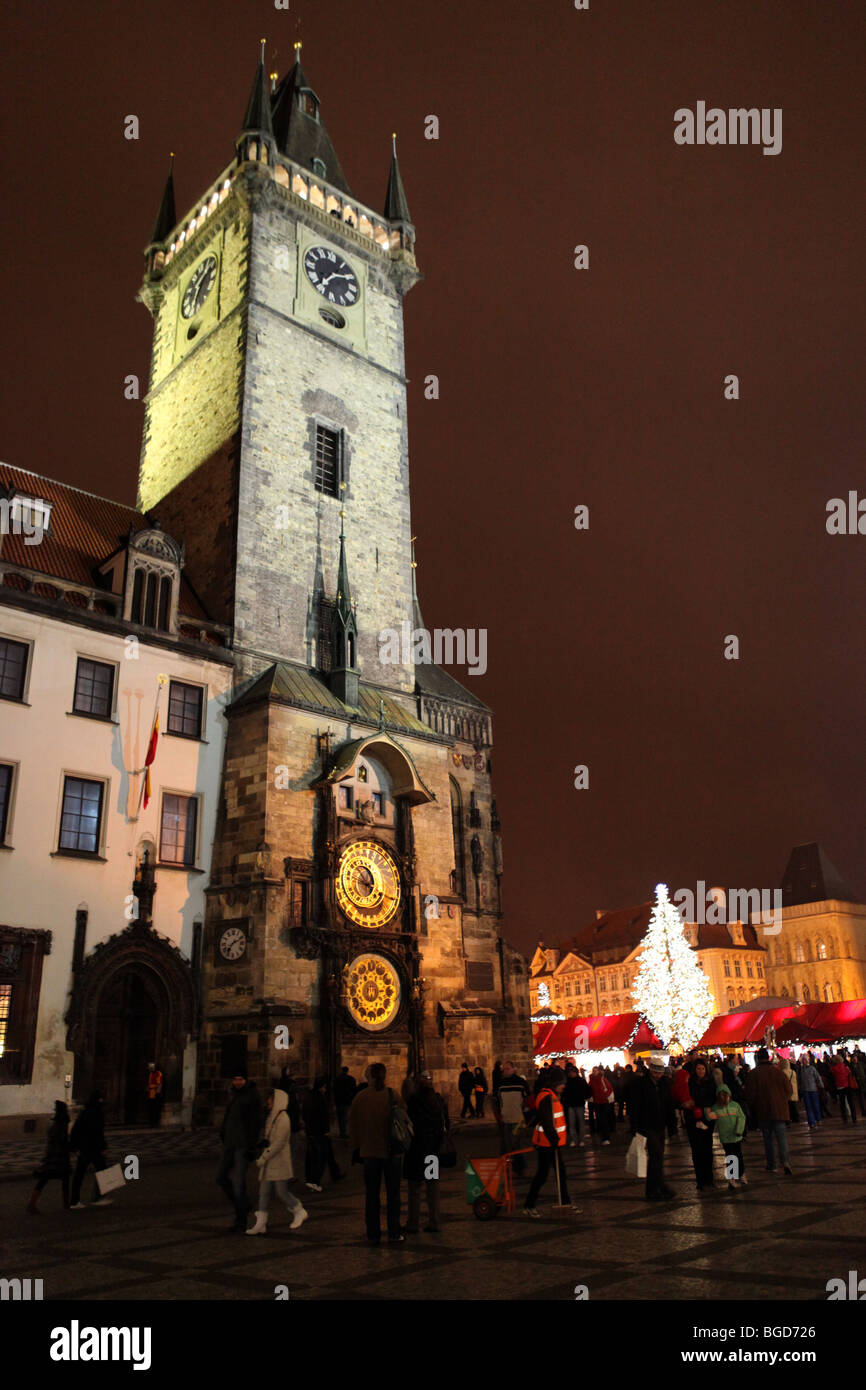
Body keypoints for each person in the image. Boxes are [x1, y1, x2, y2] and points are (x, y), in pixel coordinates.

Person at [348, 1062, 404, 1245]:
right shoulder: (393, 1095)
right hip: (392, 1153)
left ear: (369, 1077)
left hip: (370, 1153)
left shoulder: (360, 1097)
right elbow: (404, 1121)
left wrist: (356, 1147)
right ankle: (394, 1232)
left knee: (372, 1195)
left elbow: (352, 1125)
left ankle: (373, 1233)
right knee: (393, 1194)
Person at [247, 1089, 307, 1235]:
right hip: (270, 1161)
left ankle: (299, 1210)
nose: (268, 1102)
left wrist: (263, 1157)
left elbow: (279, 1143)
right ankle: (261, 1223)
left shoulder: (284, 1118)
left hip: (279, 1162)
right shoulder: (273, 1116)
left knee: (281, 1191)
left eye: (270, 1099)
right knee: (264, 1192)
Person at [524, 1066, 579, 1217]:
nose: (564, 1086)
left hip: (551, 1142)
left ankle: (566, 1202)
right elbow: (547, 1121)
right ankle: (529, 1205)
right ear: (555, 1083)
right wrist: (554, 1138)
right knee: (542, 1174)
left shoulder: (552, 1095)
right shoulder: (546, 1096)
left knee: (560, 1172)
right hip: (546, 1143)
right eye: (562, 1083)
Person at [217, 1071, 262, 1232]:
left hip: (243, 1145)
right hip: (230, 1143)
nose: (237, 1082)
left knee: (238, 1183)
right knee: (221, 1177)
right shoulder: (233, 1094)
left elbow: (255, 1122)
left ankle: (240, 1219)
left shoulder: (252, 1096)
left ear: (246, 1080)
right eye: (235, 1079)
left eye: (240, 1079)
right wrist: (223, 1132)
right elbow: (229, 1116)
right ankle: (244, 1204)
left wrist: (252, 1145)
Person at [404, 1071, 449, 1233]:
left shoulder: (414, 1100)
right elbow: (445, 1124)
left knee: (415, 1187)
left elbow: (408, 1123)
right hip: (432, 1150)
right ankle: (434, 1221)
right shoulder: (437, 1099)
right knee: (432, 1186)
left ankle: (413, 1222)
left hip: (417, 1150)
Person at [631, 1055, 676, 1200]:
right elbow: (635, 1107)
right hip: (647, 1125)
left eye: (660, 1073)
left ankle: (659, 1186)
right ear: (651, 1071)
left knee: (658, 1157)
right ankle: (654, 1189)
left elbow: (669, 1105)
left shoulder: (664, 1084)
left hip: (660, 1124)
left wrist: (672, 1126)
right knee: (655, 1155)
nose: (658, 1075)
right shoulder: (641, 1084)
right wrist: (636, 1127)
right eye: (655, 1073)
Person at [745, 1048, 793, 1174]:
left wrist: (753, 1107)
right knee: (782, 1138)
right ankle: (786, 1162)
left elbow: (750, 1095)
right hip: (780, 1111)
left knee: (768, 1139)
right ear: (768, 1058)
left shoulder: (754, 1074)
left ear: (757, 1058)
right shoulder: (778, 1072)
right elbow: (789, 1090)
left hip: (763, 1111)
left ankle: (772, 1165)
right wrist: (782, 1100)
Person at [69, 1091, 113, 1209]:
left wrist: (73, 1146)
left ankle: (74, 1200)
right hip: (94, 1149)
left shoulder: (84, 1112)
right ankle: (98, 1198)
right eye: (101, 1099)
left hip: (84, 1148)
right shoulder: (97, 1113)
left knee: (79, 1174)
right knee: (102, 1171)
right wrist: (103, 1147)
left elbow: (76, 1129)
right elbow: (98, 1133)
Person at [27, 1101, 71, 1213]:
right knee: (62, 1179)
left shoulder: (54, 1124)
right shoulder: (60, 1125)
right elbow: (62, 1141)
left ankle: (32, 1203)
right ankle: (66, 1205)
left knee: (45, 1179)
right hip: (59, 1157)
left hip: (52, 1156)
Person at [302, 1077, 343, 1191]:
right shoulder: (320, 1098)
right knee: (320, 1157)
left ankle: (335, 1173)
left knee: (319, 1156)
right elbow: (324, 1116)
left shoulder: (308, 1097)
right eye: (324, 1087)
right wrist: (326, 1131)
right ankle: (314, 1181)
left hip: (311, 1131)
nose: (325, 1089)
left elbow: (304, 1114)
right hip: (320, 1133)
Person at [684, 1058, 717, 1191]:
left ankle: (709, 1178)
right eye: (698, 1069)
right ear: (695, 1070)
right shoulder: (690, 1082)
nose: (701, 1071)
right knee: (696, 1150)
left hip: (707, 1120)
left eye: (702, 1068)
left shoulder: (710, 1082)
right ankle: (700, 1180)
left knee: (707, 1150)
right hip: (693, 1120)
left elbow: (712, 1099)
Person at [706, 1084, 748, 1189]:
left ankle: (741, 1173)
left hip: (736, 1136)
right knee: (730, 1156)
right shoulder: (716, 1108)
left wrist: (739, 1130)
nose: (724, 1098)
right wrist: (705, 1110)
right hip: (726, 1138)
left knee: (738, 1155)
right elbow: (709, 1117)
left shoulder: (735, 1105)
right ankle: (732, 1177)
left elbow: (742, 1118)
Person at [495, 1060, 530, 1174]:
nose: (505, 1071)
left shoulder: (521, 1083)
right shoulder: (501, 1084)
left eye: (508, 1069)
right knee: (505, 1143)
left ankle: (520, 1167)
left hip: (517, 1118)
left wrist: (524, 1112)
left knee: (517, 1144)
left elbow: (527, 1099)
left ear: (514, 1069)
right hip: (506, 1117)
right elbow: (498, 1100)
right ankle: (504, 1166)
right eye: (504, 1069)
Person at [563, 1062, 590, 1147]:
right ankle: (574, 1140)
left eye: (572, 1072)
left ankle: (581, 1140)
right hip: (571, 1104)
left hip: (579, 1104)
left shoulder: (580, 1081)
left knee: (580, 1123)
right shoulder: (568, 1082)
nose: (570, 1073)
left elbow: (587, 1090)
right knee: (572, 1124)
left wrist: (585, 1097)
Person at [589, 1066, 614, 1145]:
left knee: (603, 1120)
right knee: (600, 1120)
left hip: (603, 1102)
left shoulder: (602, 1079)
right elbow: (590, 1090)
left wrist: (604, 1095)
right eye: (594, 1071)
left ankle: (606, 1138)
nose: (595, 1072)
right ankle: (603, 1137)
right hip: (597, 1102)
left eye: (596, 1071)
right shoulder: (592, 1080)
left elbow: (609, 1089)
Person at [831, 1054, 858, 1125]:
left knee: (842, 1104)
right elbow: (849, 1074)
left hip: (840, 1087)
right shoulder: (845, 1066)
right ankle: (854, 1118)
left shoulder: (834, 1068)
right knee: (851, 1102)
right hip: (848, 1086)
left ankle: (845, 1119)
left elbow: (833, 1076)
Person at [798, 1054, 824, 1129]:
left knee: (815, 1106)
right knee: (808, 1107)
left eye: (805, 1060)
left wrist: (821, 1086)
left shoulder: (812, 1068)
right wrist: (800, 1088)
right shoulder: (800, 1070)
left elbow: (817, 1077)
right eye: (803, 1060)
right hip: (805, 1090)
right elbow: (799, 1080)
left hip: (813, 1090)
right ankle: (812, 1122)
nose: (804, 1061)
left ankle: (818, 1119)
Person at [333, 1066, 357, 1139]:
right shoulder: (351, 1079)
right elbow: (354, 1090)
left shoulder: (337, 1079)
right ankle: (344, 1132)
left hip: (338, 1101)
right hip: (346, 1100)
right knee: (345, 1117)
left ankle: (342, 1132)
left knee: (340, 1117)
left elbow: (334, 1090)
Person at [777, 1056, 799, 1124]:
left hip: (786, 1091)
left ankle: (790, 1119)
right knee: (793, 1105)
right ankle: (796, 1118)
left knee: (788, 1107)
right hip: (794, 1091)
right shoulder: (793, 1072)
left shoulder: (782, 1072)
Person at [145, 1062, 164, 1127]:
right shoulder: (150, 1074)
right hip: (150, 1093)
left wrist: (158, 1093)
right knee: (151, 1108)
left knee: (155, 1108)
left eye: (151, 1067)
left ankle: (155, 1122)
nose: (150, 1069)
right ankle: (151, 1122)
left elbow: (160, 1084)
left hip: (155, 1093)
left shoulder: (158, 1073)